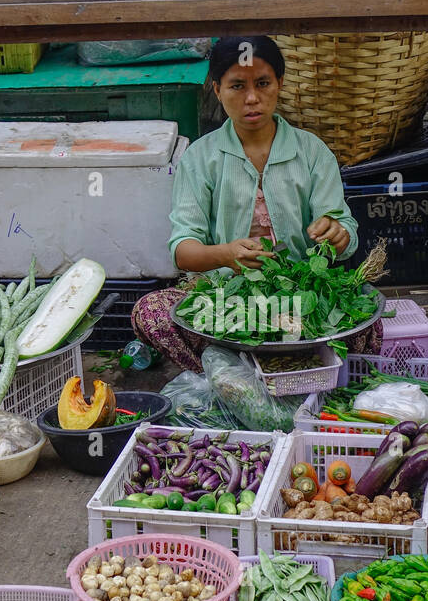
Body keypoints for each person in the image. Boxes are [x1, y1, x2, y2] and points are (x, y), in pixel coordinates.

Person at [131, 35, 381, 372]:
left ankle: (263, 369)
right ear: (217, 89)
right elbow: (183, 251)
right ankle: (225, 378)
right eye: (237, 86)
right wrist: (226, 255)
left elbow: (342, 230)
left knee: (370, 318)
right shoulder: (200, 158)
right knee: (151, 312)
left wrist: (338, 234)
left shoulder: (312, 152)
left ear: (280, 83)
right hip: (225, 300)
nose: (252, 98)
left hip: (302, 300)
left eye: (263, 83)